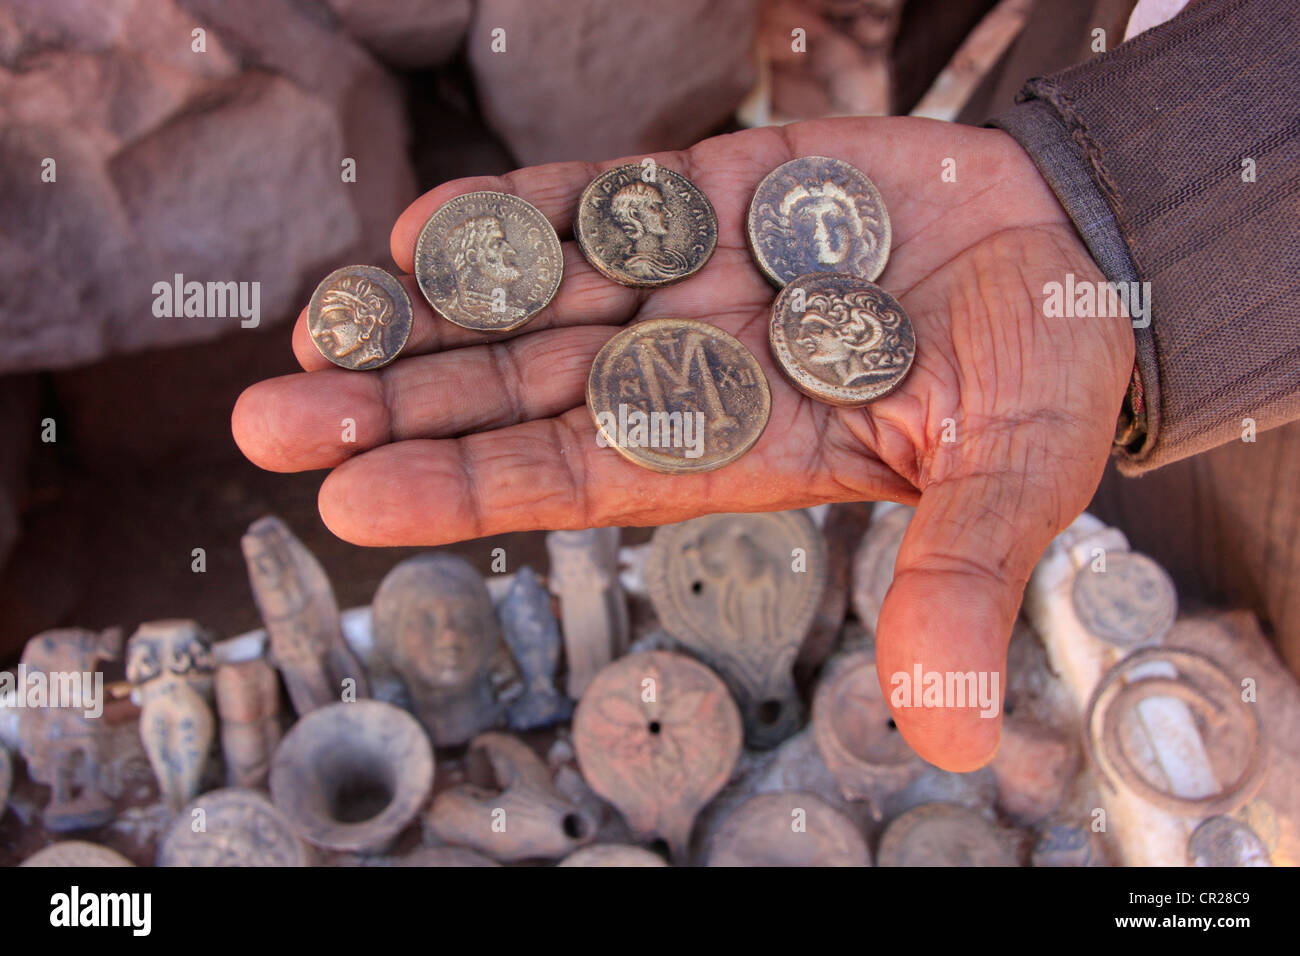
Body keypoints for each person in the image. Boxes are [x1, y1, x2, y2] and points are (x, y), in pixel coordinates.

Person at [232, 0, 1300, 773]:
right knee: (1078, 503)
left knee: (1199, 611)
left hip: (1262, 431)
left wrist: (1125, 233)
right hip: (1080, 94)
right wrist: (1081, 176)